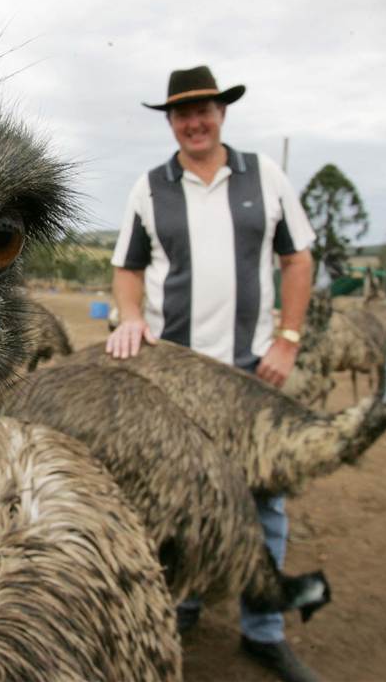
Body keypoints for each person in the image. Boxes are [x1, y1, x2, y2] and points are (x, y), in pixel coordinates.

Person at [106, 66, 317, 682]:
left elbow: (297, 258)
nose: (194, 122)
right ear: (169, 121)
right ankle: (186, 602)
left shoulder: (263, 176)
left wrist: (289, 338)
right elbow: (127, 266)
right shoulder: (150, 187)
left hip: (253, 371)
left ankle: (263, 629)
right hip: (173, 375)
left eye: (204, 110)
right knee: (174, 495)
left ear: (221, 113)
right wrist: (129, 317)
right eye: (181, 113)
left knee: (265, 499)